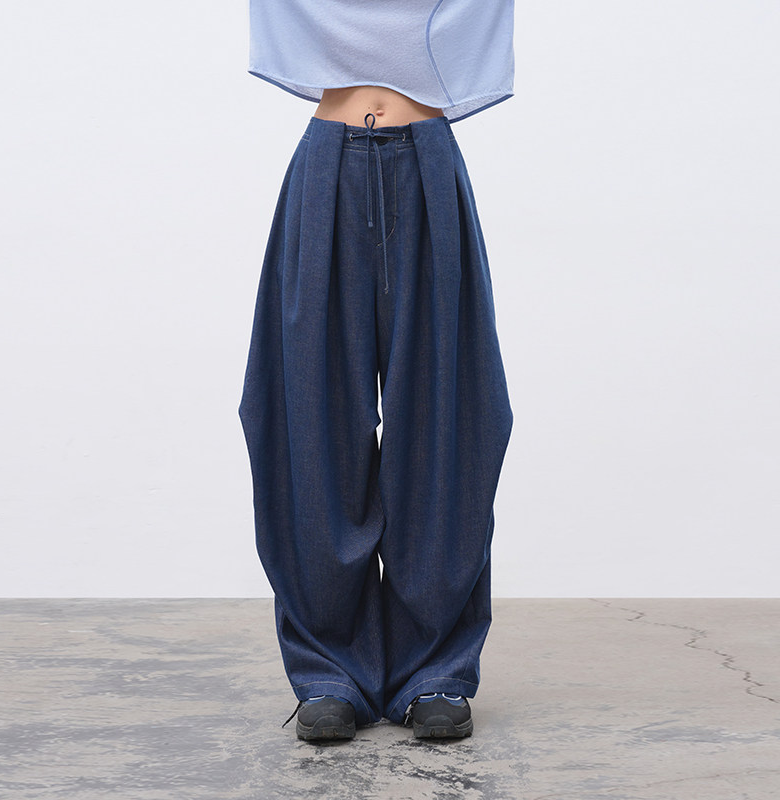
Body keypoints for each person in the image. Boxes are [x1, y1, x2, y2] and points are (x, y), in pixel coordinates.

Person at [238, 0, 516, 742]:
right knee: (305, 414)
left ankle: (437, 670)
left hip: (429, 163)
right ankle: (328, 669)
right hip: (327, 165)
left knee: (452, 413)